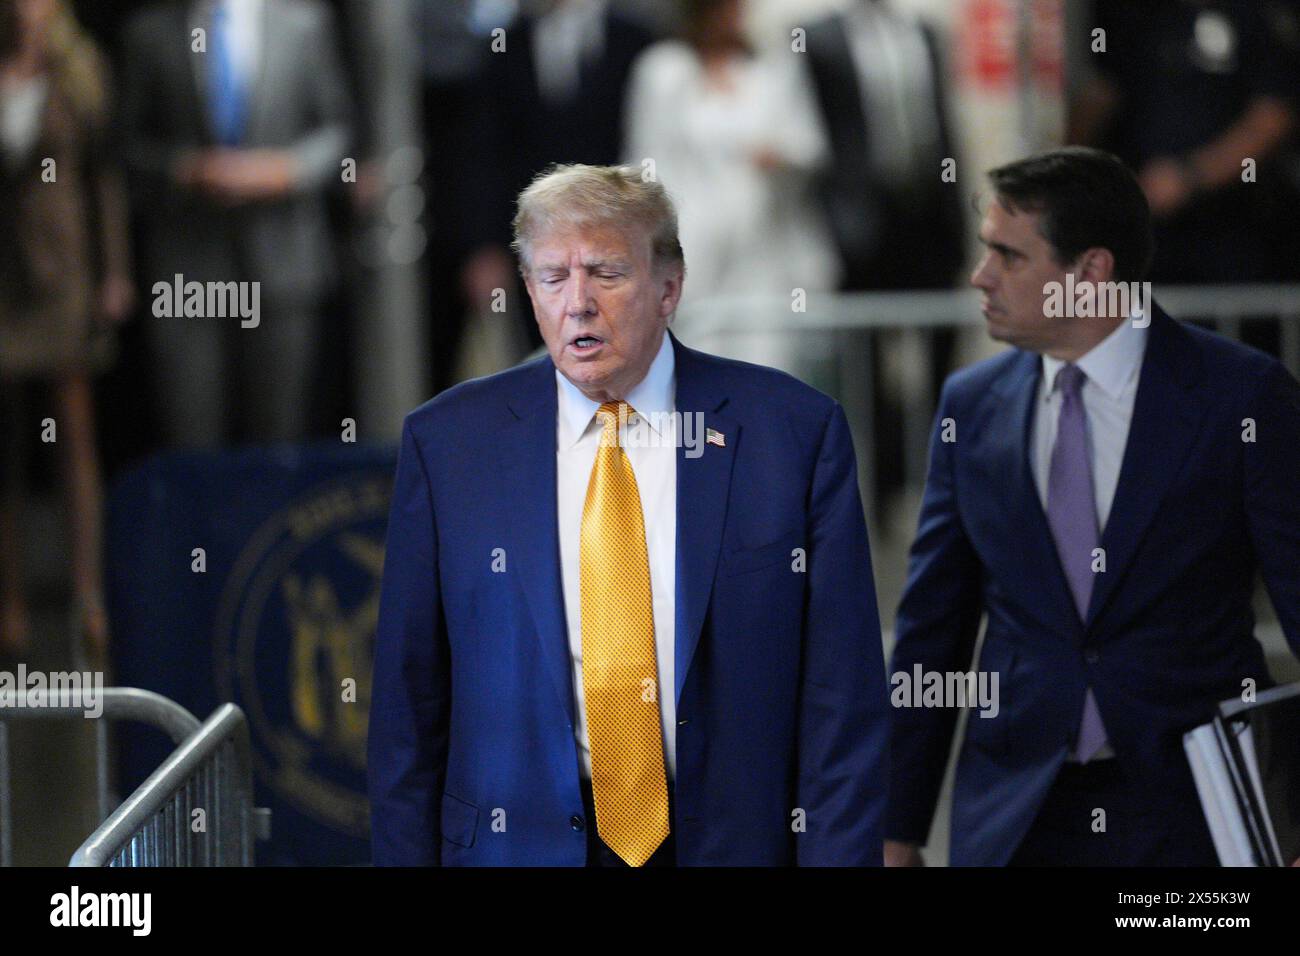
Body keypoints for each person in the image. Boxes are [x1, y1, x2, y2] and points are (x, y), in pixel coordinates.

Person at [368, 164, 889, 866]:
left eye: (606, 274)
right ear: (528, 291)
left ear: (669, 288)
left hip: (731, 843)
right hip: (516, 844)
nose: (577, 303)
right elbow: (408, 705)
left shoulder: (792, 433)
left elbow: (842, 696)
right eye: (552, 278)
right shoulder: (449, 443)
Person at [884, 147, 1300, 866]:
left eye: (1008, 257)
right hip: (1016, 818)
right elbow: (932, 632)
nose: (981, 278)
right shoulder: (971, 408)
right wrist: (896, 827)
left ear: (1093, 273)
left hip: (1193, 814)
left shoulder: (1242, 397)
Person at [118, 0, 352, 448]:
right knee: (191, 434)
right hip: (187, 269)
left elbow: (337, 130)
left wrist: (287, 170)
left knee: (278, 435)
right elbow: (125, 147)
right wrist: (184, 170)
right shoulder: (148, 33)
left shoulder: (302, 24)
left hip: (283, 263)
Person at [0, 0, 134, 656]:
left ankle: (88, 589)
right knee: (8, 442)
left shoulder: (80, 70)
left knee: (74, 436)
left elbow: (104, 178)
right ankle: (12, 598)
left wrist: (115, 273)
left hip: (65, 268)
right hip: (6, 274)